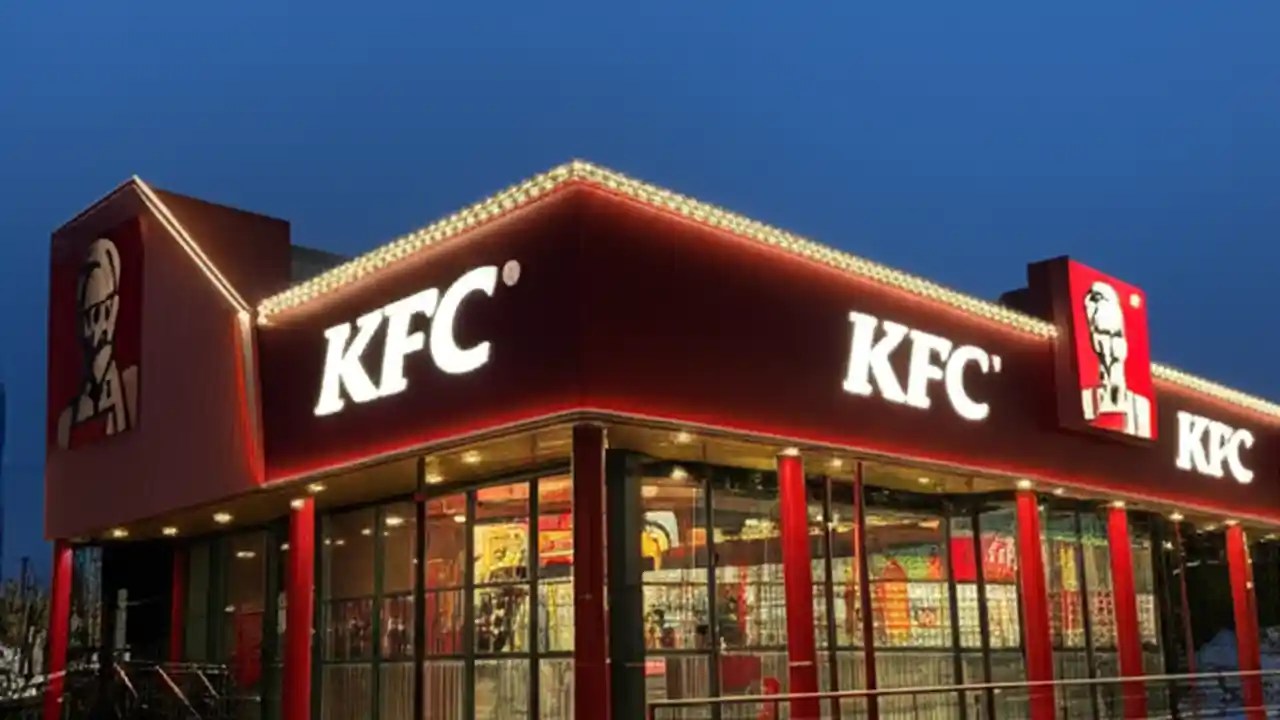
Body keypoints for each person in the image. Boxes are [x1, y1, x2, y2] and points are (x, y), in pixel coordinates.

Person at [56, 237, 138, 449]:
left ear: (114, 308)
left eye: (101, 312)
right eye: (87, 316)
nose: (92, 330)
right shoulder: (67, 421)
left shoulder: (131, 389)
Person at [1080, 280, 1152, 439]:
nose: (1109, 348)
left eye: (1115, 336)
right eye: (1102, 337)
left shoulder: (1140, 407)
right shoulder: (1085, 401)